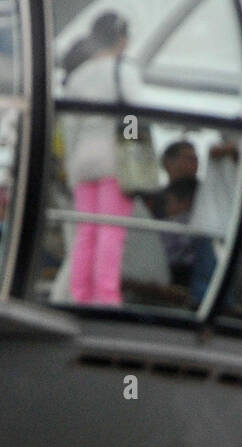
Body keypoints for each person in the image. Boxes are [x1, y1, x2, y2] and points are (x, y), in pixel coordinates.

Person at [61, 11, 142, 306]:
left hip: (82, 160)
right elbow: (136, 114)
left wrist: (71, 167)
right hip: (114, 162)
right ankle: (106, 296)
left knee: (87, 232)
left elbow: (70, 125)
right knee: (111, 231)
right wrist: (131, 143)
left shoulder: (79, 76)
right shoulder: (125, 71)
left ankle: (79, 294)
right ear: (122, 40)